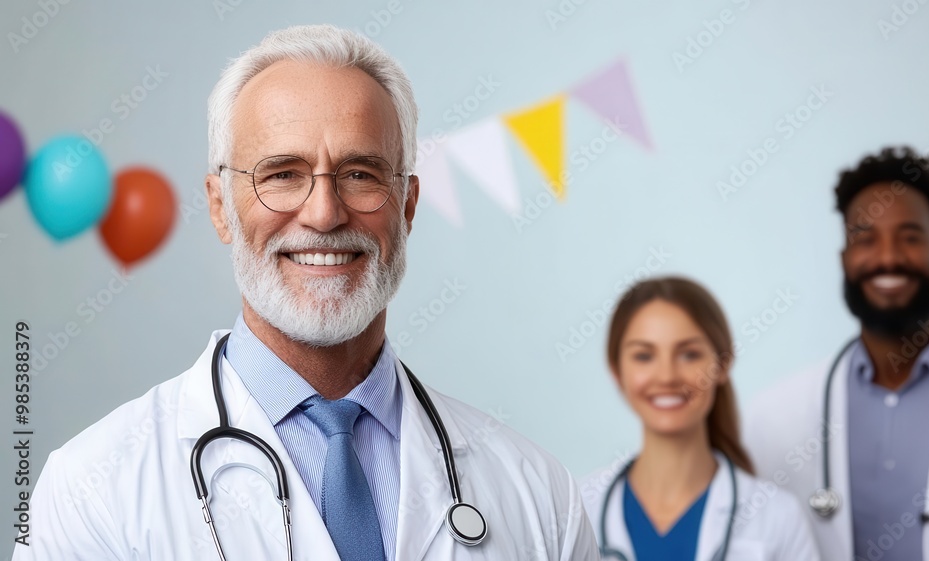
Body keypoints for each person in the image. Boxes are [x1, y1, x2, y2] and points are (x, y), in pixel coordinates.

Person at [14, 25, 599, 561]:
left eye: (361, 174)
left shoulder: (538, 495)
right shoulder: (91, 489)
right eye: (282, 174)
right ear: (220, 208)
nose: (323, 213)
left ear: (409, 206)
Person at [745, 147, 929, 560]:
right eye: (866, 239)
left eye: (910, 238)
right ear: (845, 259)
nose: (888, 257)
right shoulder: (776, 415)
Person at [580, 277, 819, 560]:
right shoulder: (580, 507)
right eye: (644, 356)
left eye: (689, 354)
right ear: (616, 370)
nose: (667, 376)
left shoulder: (776, 517)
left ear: (723, 364)